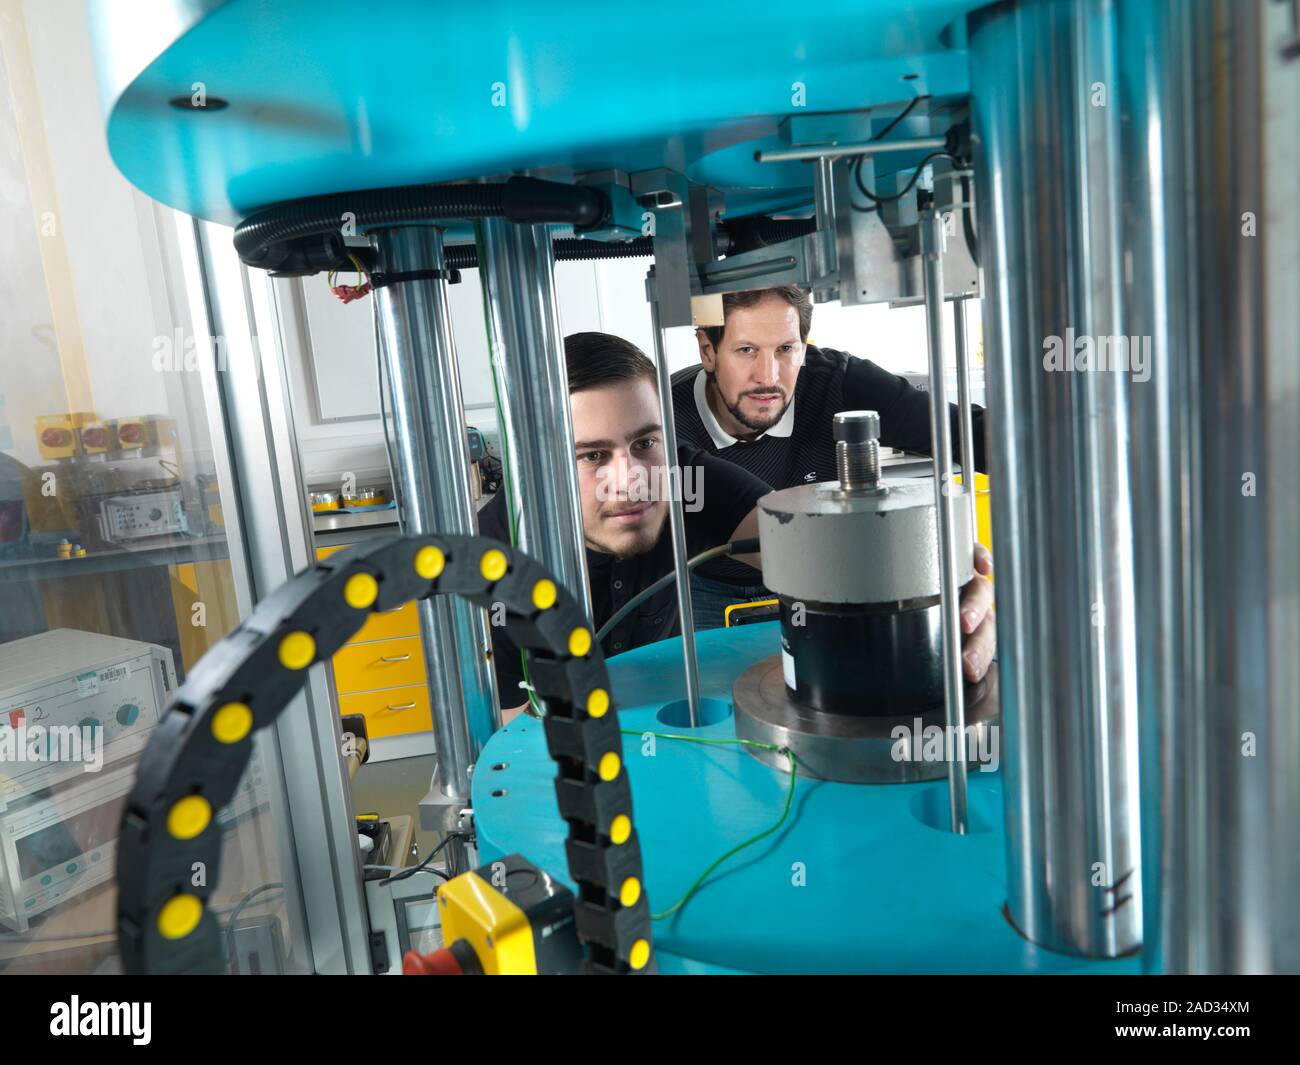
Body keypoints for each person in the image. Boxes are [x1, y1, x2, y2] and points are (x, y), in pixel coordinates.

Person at [477, 331, 995, 721]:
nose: (631, 480)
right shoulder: (496, 556)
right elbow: (518, 730)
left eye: (645, 443)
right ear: (537, 466)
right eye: (591, 455)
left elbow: (820, 554)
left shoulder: (683, 479)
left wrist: (941, 576)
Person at [671, 284, 989, 628]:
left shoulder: (836, 381)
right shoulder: (663, 420)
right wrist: (914, 563)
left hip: (816, 578)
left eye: (786, 349)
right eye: (747, 350)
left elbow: (966, 431)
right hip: (707, 588)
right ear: (708, 350)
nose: (768, 376)